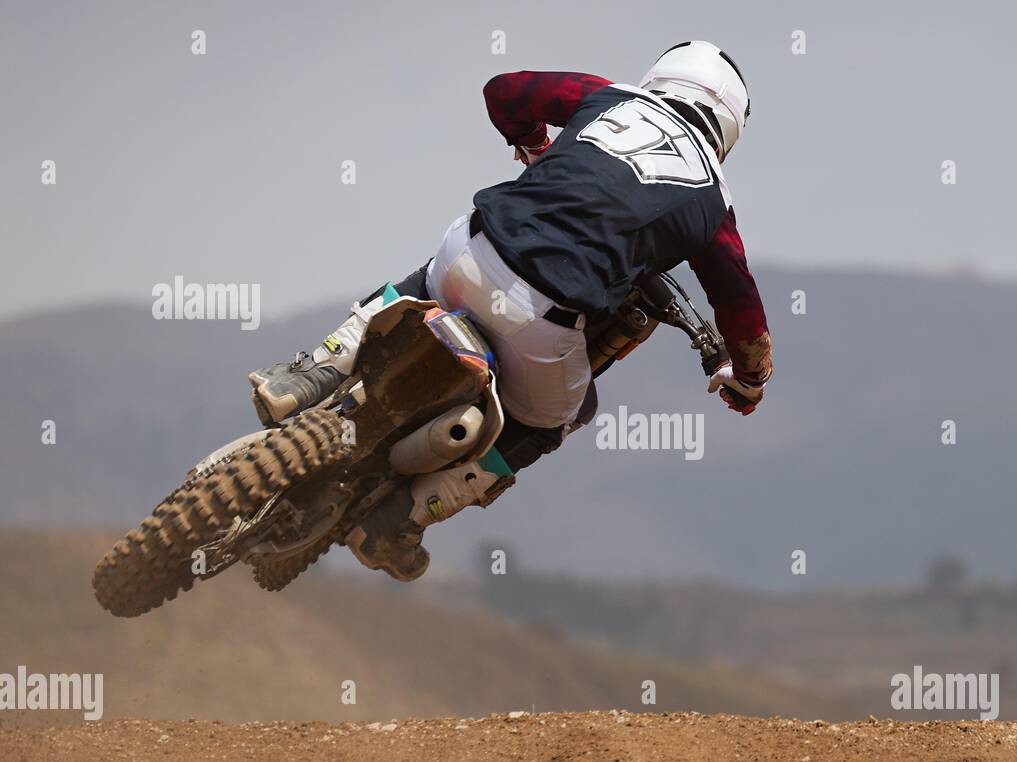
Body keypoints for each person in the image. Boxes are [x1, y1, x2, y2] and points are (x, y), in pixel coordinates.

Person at [248, 40, 773, 581]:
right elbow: (740, 304)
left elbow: (504, 91)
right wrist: (750, 378)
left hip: (470, 255)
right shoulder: (713, 199)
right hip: (541, 322)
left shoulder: (607, 97)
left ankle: (311, 370)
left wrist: (533, 146)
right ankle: (401, 517)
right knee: (563, 418)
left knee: (421, 283)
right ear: (731, 122)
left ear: (661, 77)